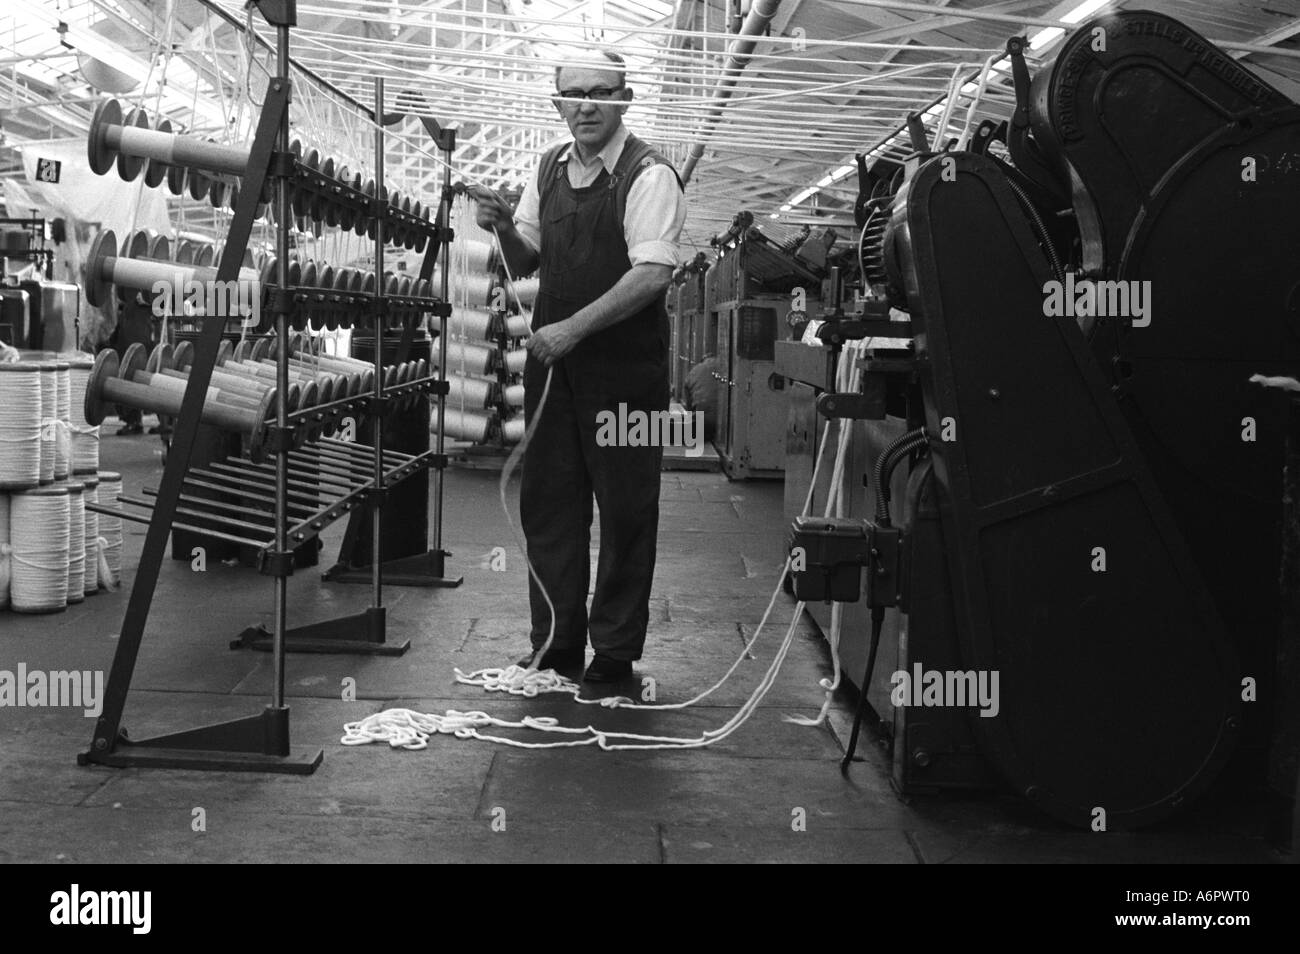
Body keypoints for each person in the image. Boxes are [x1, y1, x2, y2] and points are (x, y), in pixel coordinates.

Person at [468, 48, 686, 683]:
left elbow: (652, 273)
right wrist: (503, 226)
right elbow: (528, 256)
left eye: (600, 92)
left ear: (625, 98)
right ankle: (558, 645)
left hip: (625, 375)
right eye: (574, 93)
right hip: (554, 374)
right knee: (551, 504)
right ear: (557, 101)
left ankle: (614, 653)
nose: (586, 104)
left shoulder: (649, 175)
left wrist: (570, 329)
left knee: (625, 507)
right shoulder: (550, 168)